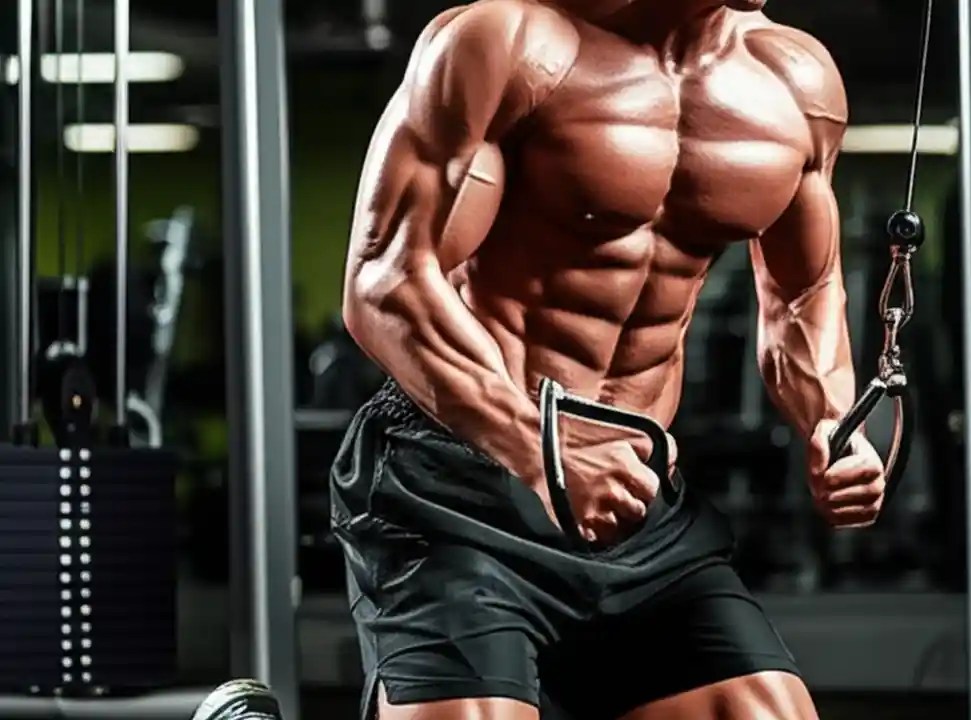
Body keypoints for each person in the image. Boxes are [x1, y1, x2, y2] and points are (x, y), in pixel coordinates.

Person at [201, 0, 886, 718]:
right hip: (459, 481)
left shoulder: (794, 82)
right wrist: (541, 447)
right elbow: (384, 278)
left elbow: (804, 289)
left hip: (634, 497)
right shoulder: (509, 44)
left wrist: (834, 422)